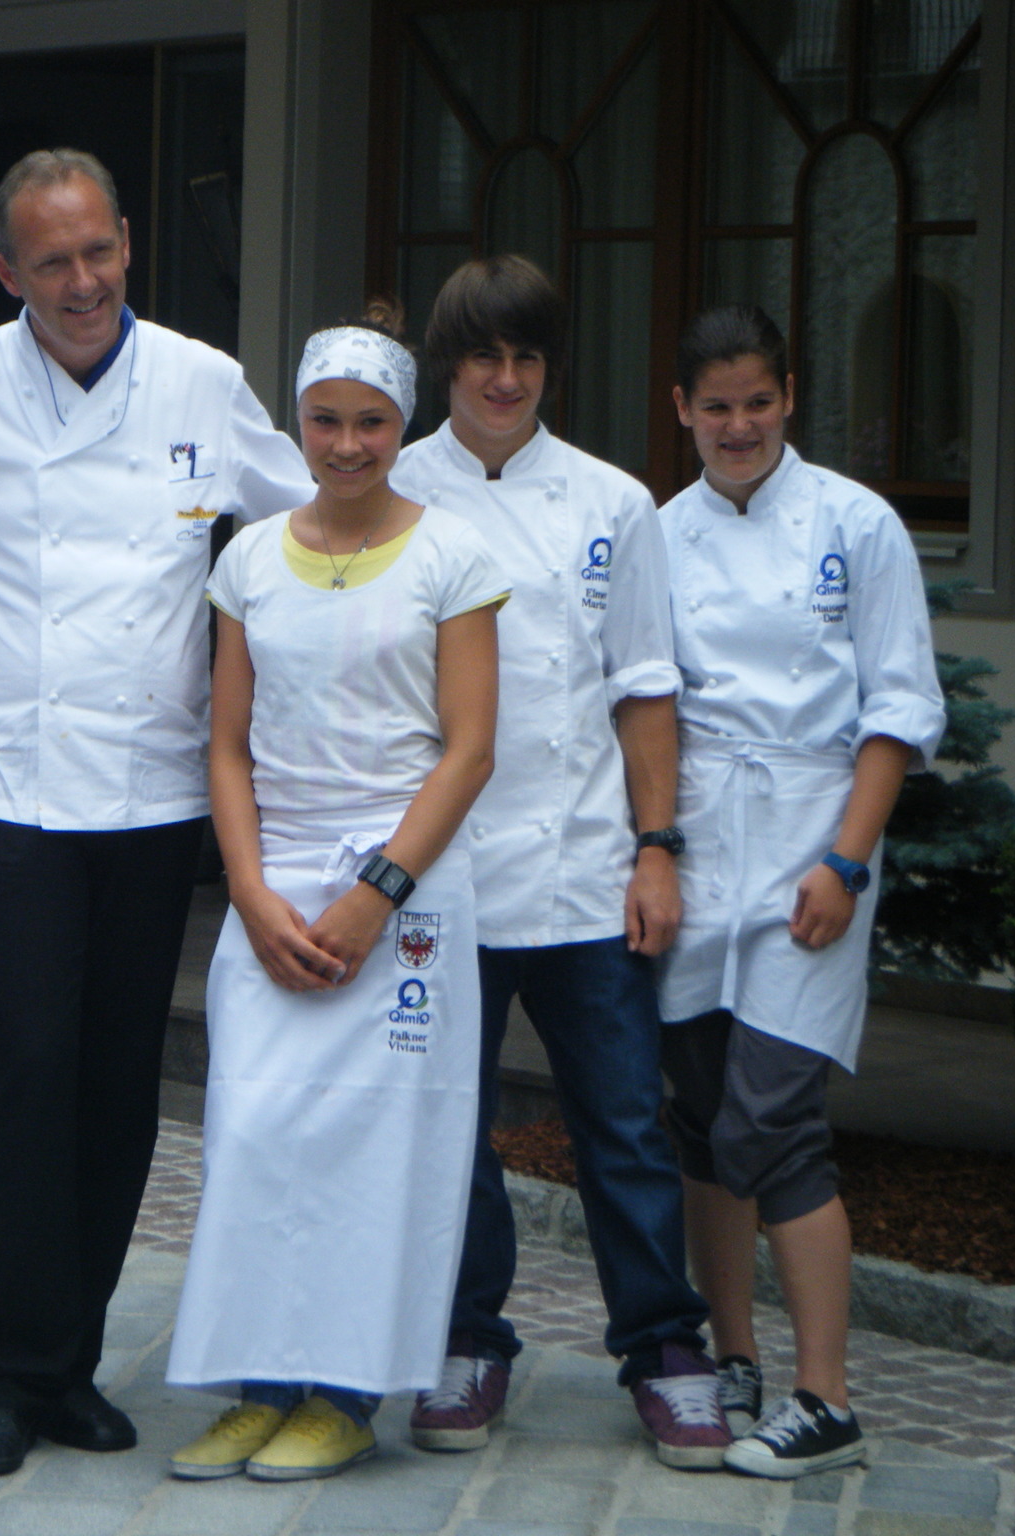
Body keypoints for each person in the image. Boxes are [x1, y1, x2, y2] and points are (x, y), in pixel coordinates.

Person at [0, 148, 315, 1477]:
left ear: (128, 243)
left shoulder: (201, 381)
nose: (80, 283)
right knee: (23, 1068)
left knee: (118, 1080)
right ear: (5, 272)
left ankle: (68, 1360)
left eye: (98, 253)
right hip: (8, 790)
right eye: (50, 262)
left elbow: (305, 527)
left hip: (150, 789)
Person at [387, 255, 730, 1469]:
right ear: (448, 363)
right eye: (482, 356)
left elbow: (643, 690)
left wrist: (654, 850)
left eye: (526, 357)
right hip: (443, 876)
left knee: (624, 1126)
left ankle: (663, 1349)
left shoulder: (611, 502)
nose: (503, 378)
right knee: (450, 1125)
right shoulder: (394, 487)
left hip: (587, 866)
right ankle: (467, 1338)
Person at [164, 314, 505, 1482]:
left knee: (375, 1142)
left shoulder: (452, 555)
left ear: (401, 427)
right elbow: (224, 748)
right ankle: (258, 1386)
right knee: (258, 1136)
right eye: (325, 420)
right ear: (296, 425)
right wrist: (249, 895)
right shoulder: (248, 557)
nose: (346, 444)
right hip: (276, 883)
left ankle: (346, 1394)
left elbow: (466, 751)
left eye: (369, 422)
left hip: (400, 900)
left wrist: (374, 895)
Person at [658, 306, 943, 1478]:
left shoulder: (854, 523)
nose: (736, 425)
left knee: (769, 1119)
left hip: (810, 839)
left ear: (788, 400)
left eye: (756, 403)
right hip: (689, 847)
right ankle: (731, 1356)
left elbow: (898, 705)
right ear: (680, 409)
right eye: (713, 406)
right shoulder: (655, 532)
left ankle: (824, 1396)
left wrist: (845, 859)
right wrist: (650, 849)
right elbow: (636, 702)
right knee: (697, 1118)